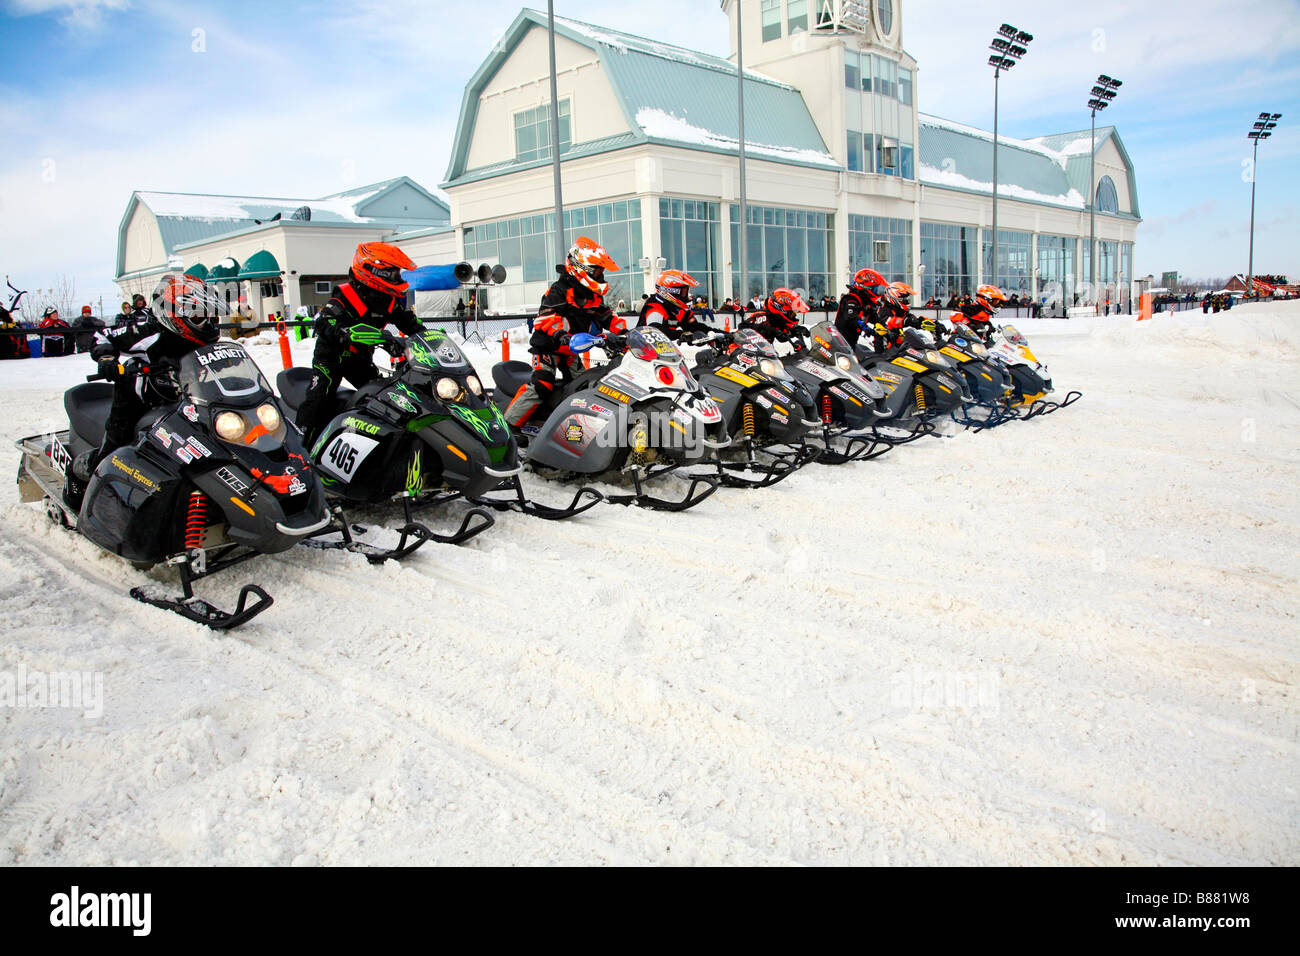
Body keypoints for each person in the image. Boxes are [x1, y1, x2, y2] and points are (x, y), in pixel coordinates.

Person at [65, 275, 226, 509]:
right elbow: (103, 335)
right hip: (139, 398)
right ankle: (80, 474)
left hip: (189, 397)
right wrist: (108, 357)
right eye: (200, 316)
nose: (208, 323)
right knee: (114, 449)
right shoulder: (145, 330)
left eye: (211, 316)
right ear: (174, 313)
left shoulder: (202, 336)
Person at [295, 242, 424, 447]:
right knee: (319, 398)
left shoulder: (389, 299)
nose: (397, 277)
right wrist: (344, 333)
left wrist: (430, 337)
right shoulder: (345, 295)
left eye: (397, 273)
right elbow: (323, 321)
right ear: (372, 271)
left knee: (382, 397)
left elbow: (411, 323)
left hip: (360, 360)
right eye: (392, 273)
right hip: (331, 357)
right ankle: (299, 446)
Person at [504, 236, 625, 431]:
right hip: (548, 346)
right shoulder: (559, 290)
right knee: (542, 384)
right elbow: (545, 318)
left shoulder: (591, 294)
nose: (600, 275)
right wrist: (560, 334)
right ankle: (508, 427)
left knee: (585, 385)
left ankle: (575, 427)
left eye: (601, 271)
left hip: (570, 350)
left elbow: (605, 315)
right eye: (597, 270)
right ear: (581, 268)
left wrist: (624, 332)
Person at [637, 270, 711, 341]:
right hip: (643, 349)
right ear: (671, 291)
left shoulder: (679, 309)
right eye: (684, 291)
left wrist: (715, 333)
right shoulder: (654, 307)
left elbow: (695, 327)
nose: (688, 295)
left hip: (666, 350)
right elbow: (655, 331)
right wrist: (682, 335)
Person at [833, 268, 889, 351]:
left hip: (852, 341)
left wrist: (885, 328)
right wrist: (865, 328)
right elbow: (852, 317)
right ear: (866, 287)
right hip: (840, 343)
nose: (877, 292)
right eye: (875, 288)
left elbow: (874, 317)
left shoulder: (866, 302)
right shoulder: (851, 299)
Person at [740, 288, 810, 350]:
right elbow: (742, 327)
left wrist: (797, 330)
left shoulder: (777, 319)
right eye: (791, 313)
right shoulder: (761, 315)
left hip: (766, 353)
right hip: (747, 353)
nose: (793, 316)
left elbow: (782, 337)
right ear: (780, 309)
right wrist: (768, 329)